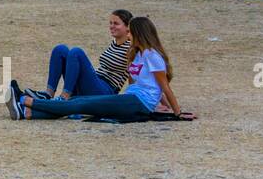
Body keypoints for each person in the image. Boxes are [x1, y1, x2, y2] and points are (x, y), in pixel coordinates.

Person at [11, 16, 181, 121]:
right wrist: (161, 104)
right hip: (131, 96)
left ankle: (26, 100)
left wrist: (177, 112)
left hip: (134, 100)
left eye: (130, 31)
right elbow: (141, 83)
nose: (128, 35)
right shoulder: (136, 53)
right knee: (81, 104)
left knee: (81, 103)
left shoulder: (151, 56)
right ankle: (27, 112)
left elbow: (163, 86)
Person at [29, 10, 133, 100]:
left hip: (106, 91)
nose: (111, 26)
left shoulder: (131, 48)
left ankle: (65, 97)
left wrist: (133, 96)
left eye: (116, 23)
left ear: (128, 27)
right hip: (94, 82)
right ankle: (48, 94)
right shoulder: (115, 42)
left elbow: (133, 73)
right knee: (60, 50)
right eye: (110, 23)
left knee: (76, 52)